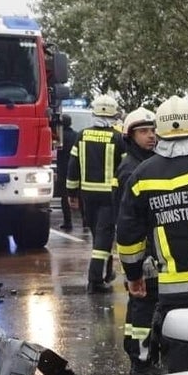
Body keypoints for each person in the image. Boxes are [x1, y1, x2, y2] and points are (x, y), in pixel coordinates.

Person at [114, 96, 188, 373]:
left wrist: (133, 276)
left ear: (160, 131)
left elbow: (129, 233)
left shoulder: (142, 175)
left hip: (172, 291)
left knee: (181, 366)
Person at [114, 108, 159, 375]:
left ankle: (137, 351)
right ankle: (140, 361)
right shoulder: (131, 169)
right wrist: (140, 258)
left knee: (139, 301)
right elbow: (131, 220)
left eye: (152, 130)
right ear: (130, 136)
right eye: (143, 132)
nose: (151, 136)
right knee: (143, 300)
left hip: (144, 247)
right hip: (140, 249)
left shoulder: (144, 163)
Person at [68, 93, 126, 288]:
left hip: (88, 195)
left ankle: (107, 272)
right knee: (104, 236)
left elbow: (73, 165)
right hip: (110, 196)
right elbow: (125, 169)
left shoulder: (82, 135)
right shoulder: (118, 138)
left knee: (98, 235)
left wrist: (72, 193)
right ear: (113, 115)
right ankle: (95, 280)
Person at [54, 114, 78, 231]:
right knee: (79, 194)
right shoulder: (76, 135)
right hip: (76, 168)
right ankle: (85, 221)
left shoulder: (60, 137)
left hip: (63, 169)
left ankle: (68, 222)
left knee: (64, 197)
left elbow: (55, 148)